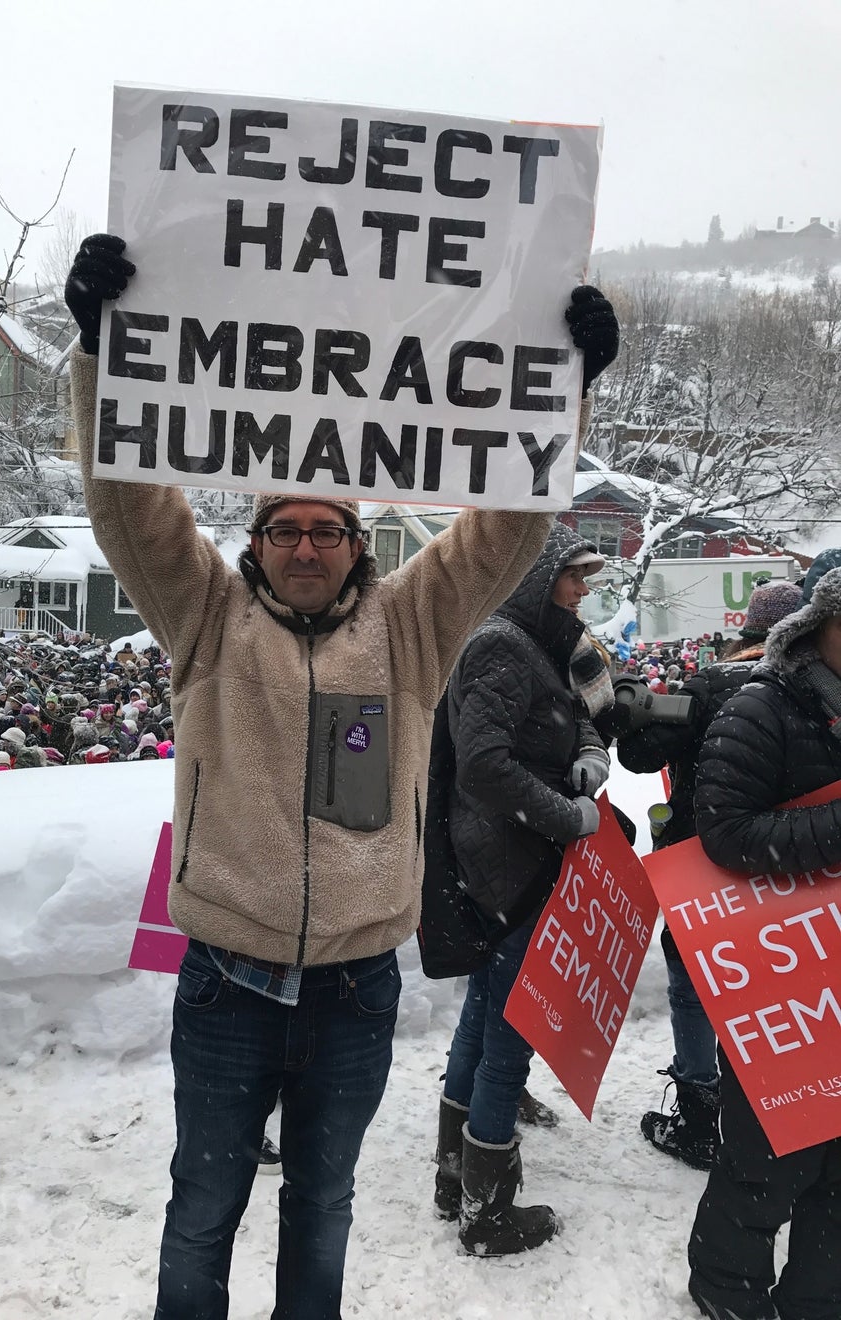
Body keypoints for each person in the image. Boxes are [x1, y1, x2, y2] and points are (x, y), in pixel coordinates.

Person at [65, 233, 619, 1319]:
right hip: (227, 981)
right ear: (256, 542)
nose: (308, 546)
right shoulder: (204, 622)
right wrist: (104, 356)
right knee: (205, 1200)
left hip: (357, 989)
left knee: (324, 1205)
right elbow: (132, 505)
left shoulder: (409, 630)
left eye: (328, 530)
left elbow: (505, 529)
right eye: (286, 529)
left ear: (357, 546)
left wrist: (563, 393)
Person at [434, 520, 614, 1255]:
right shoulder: (503, 645)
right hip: (510, 862)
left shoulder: (540, 645)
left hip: (512, 858)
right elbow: (483, 765)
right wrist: (569, 817)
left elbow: (577, 720)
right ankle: (487, 1211)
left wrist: (592, 757)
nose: (581, 592)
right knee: (511, 1032)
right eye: (573, 577)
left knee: (485, 1012)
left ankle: (455, 1175)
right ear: (536, 577)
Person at [686, 567, 841, 1320]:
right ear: (819, 627)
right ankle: (727, 1288)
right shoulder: (763, 705)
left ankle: (817, 1296)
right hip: (778, 979)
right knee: (769, 1152)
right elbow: (724, 830)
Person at [617, 580, 804, 1170]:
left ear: (749, 627)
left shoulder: (713, 682)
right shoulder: (814, 686)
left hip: (704, 859)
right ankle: (779, 1111)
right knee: (777, 991)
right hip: (794, 864)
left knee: (695, 987)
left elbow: (638, 757)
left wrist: (646, 706)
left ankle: (699, 1118)